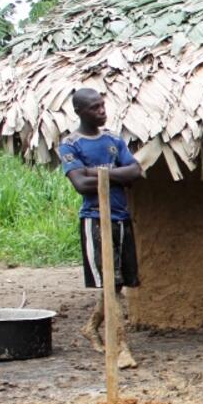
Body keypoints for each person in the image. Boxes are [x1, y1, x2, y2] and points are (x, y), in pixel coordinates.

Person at [58, 88, 143, 370]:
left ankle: (91, 326)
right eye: (94, 108)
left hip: (120, 217)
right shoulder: (70, 144)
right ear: (80, 112)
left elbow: (135, 172)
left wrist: (95, 172)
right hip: (95, 218)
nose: (102, 112)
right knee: (109, 283)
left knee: (117, 282)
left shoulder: (113, 140)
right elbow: (80, 185)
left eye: (102, 106)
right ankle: (120, 346)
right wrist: (113, 175)